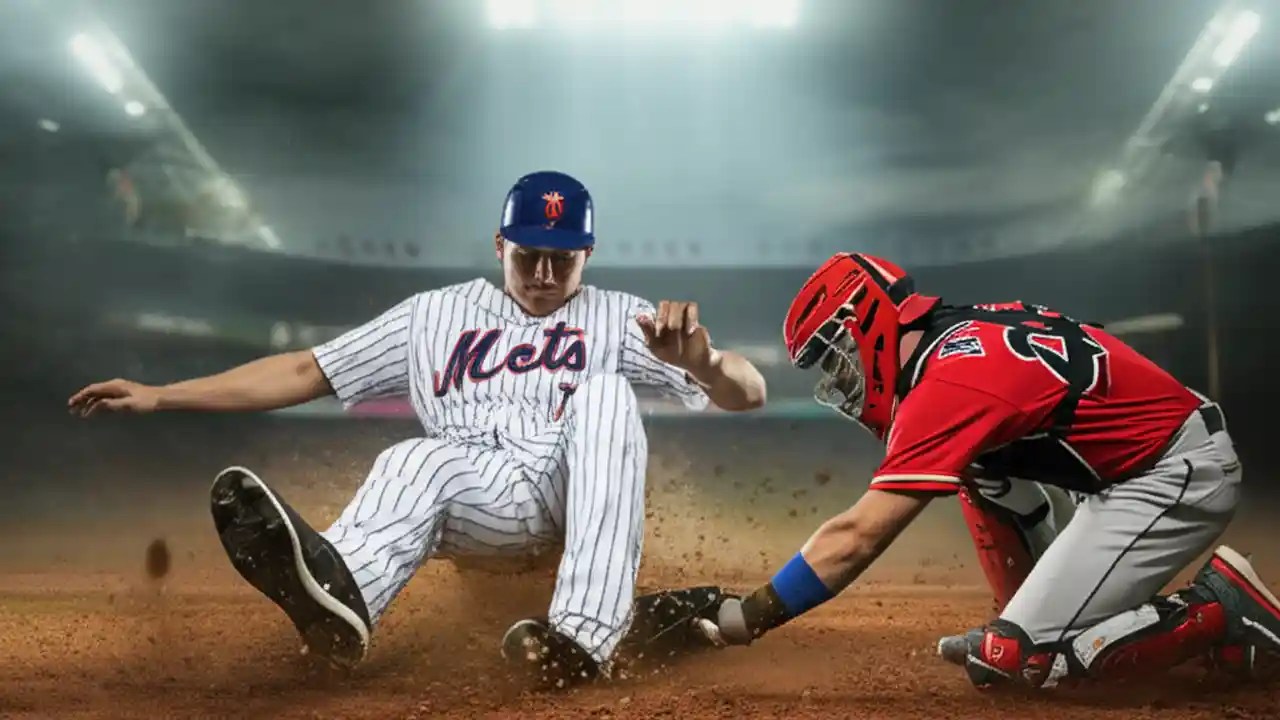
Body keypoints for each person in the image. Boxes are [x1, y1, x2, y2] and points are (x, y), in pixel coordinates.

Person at [68, 170, 767, 688]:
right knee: (415, 457)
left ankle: (580, 640)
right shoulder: (432, 315)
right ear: (499, 245)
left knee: (608, 393)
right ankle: (341, 598)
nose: (547, 273)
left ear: (590, 252)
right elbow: (305, 371)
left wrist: (701, 359)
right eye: (529, 254)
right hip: (479, 497)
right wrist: (162, 395)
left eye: (565, 257)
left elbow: (750, 392)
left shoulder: (623, 317)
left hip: (570, 492)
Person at [692, 251, 1280, 688]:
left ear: (868, 321)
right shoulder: (955, 336)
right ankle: (1207, 649)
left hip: (1173, 473)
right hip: (1135, 470)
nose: (838, 379)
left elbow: (857, 536)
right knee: (980, 477)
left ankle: (1220, 609)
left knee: (1024, 663)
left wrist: (748, 616)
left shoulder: (944, 384)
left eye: (835, 354)